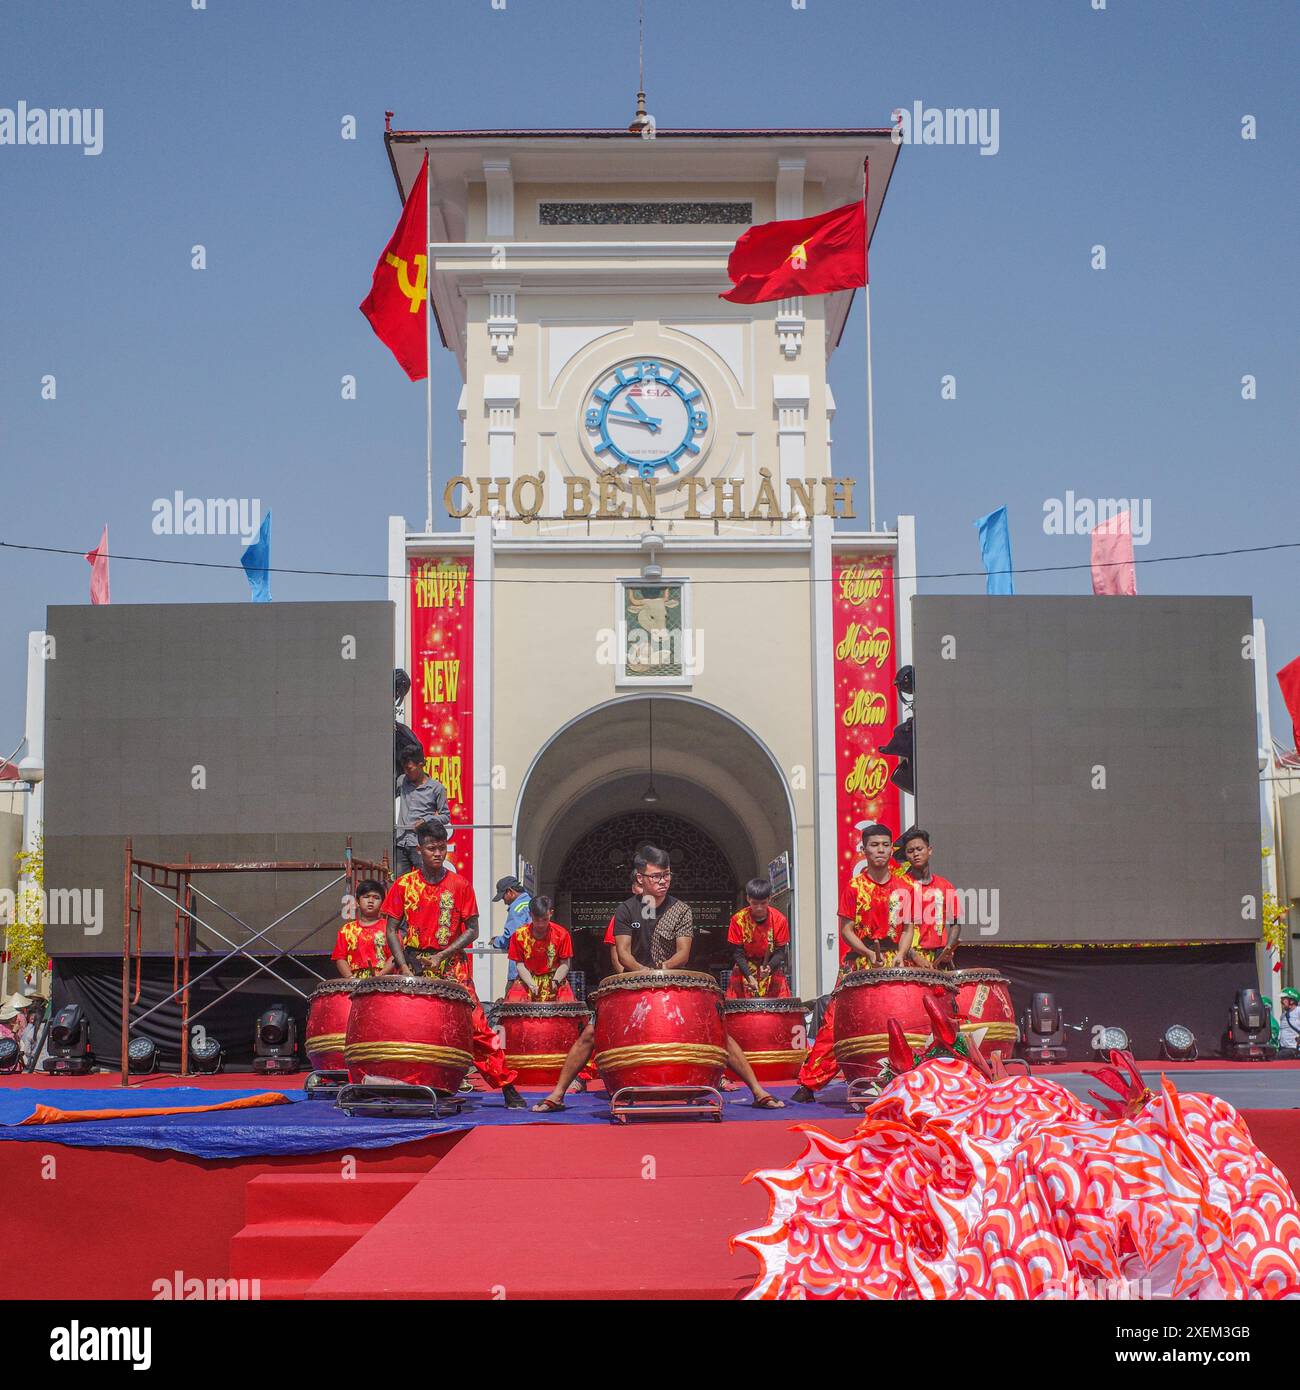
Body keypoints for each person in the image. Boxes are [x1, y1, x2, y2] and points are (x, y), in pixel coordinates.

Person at [532, 846, 784, 1112]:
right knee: (590, 1035)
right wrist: (643, 973)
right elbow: (623, 953)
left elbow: (683, 953)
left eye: (667, 875)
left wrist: (660, 971)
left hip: (674, 984)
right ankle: (557, 1094)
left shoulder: (682, 910)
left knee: (718, 1033)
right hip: (632, 985)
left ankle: (758, 1091)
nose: (663, 881)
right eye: (656, 876)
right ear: (640, 878)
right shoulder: (626, 910)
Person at [382, 821, 525, 1108]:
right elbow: (391, 929)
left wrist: (443, 954)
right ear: (419, 849)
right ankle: (404, 1085)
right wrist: (404, 966)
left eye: (442, 848)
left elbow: (473, 929)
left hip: (452, 966)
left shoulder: (460, 885)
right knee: (405, 1024)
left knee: (477, 1026)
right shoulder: (404, 885)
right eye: (431, 848)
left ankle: (506, 1084)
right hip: (413, 963)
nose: (437, 854)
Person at [791, 823, 909, 1103]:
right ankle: (809, 1084)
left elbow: (908, 929)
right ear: (863, 849)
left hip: (893, 964)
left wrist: (901, 955)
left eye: (885, 845)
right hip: (859, 964)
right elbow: (846, 930)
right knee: (836, 1023)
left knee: (900, 1020)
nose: (880, 850)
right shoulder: (855, 886)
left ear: (892, 848)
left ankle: (901, 1080)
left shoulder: (904, 886)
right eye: (874, 845)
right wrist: (868, 954)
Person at [892, 828, 962, 969]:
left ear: (929, 850)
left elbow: (955, 923)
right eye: (910, 851)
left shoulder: (945, 885)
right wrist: (913, 955)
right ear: (906, 855)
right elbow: (894, 929)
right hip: (908, 958)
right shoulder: (898, 886)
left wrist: (948, 948)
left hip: (938, 959)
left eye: (919, 849)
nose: (916, 854)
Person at [726, 878, 792, 998]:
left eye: (763, 903)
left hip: (771, 968)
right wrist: (749, 977)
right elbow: (737, 953)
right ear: (748, 899)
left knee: (778, 1011)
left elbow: (780, 952)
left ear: (769, 899)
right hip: (745, 969)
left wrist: (769, 967)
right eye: (755, 903)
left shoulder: (779, 920)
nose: (759, 908)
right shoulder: (738, 920)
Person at [505, 896, 575, 1002]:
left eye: (545, 919)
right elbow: (520, 965)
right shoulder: (519, 935)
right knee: (513, 1007)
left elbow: (564, 964)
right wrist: (530, 983)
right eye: (536, 920)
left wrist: (556, 980)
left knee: (568, 1009)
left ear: (551, 913)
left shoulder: (562, 934)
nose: (541, 924)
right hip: (527, 979)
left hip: (554, 978)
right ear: (530, 915)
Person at [394, 749, 451, 878]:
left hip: (420, 844)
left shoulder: (436, 788)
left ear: (421, 765)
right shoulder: (402, 781)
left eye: (410, 768)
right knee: (400, 883)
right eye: (405, 769)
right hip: (400, 841)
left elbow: (445, 816)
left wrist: (426, 820)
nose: (407, 772)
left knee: (425, 880)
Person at [331, 880, 393, 979]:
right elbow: (340, 958)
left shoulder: (389, 928)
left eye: (376, 898)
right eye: (366, 897)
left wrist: (380, 975)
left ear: (382, 902)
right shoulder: (346, 930)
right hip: (354, 982)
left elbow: (394, 956)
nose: (371, 901)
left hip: (383, 980)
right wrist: (350, 978)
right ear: (357, 901)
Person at [489, 875, 531, 991]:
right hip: (534, 964)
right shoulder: (531, 903)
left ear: (510, 892)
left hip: (519, 965)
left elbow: (512, 937)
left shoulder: (517, 908)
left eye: (503, 897)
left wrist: (496, 941)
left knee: (512, 1000)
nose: (504, 902)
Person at [1277, 988, 1300, 1057]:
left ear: (1292, 1001)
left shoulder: (1298, 1011)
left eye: (1284, 999)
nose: (1281, 1001)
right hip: (1282, 1048)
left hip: (1294, 1048)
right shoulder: (1283, 1015)